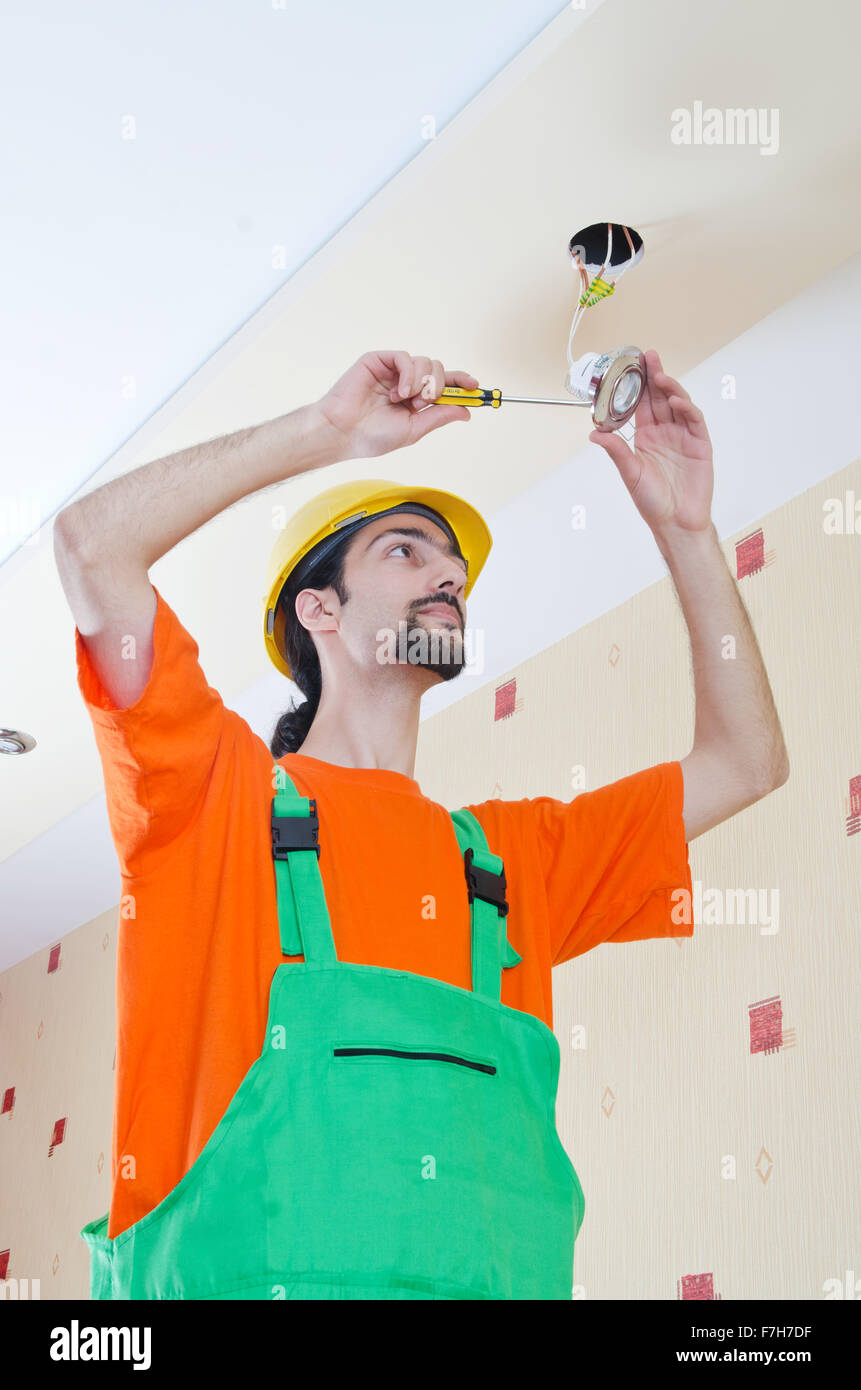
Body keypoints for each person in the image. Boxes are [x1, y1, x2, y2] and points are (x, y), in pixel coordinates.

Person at [55, 348, 789, 1300]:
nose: (446, 575)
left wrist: (685, 530)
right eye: (405, 549)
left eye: (452, 567)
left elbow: (746, 762)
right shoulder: (212, 797)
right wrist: (326, 432)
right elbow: (89, 544)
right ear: (314, 607)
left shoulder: (507, 860)